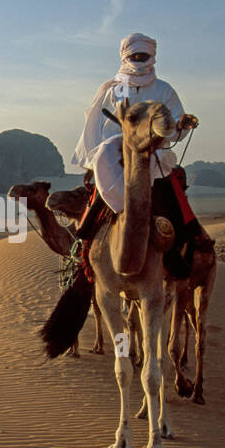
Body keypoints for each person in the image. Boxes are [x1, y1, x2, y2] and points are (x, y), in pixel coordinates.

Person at [71, 32, 203, 276]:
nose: (140, 60)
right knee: (99, 187)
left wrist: (179, 125)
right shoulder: (115, 90)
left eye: (144, 56)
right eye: (135, 56)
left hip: (153, 150)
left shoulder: (164, 90)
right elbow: (99, 126)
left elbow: (173, 124)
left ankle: (177, 249)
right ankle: (85, 246)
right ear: (125, 57)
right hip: (116, 149)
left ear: (152, 57)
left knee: (169, 195)